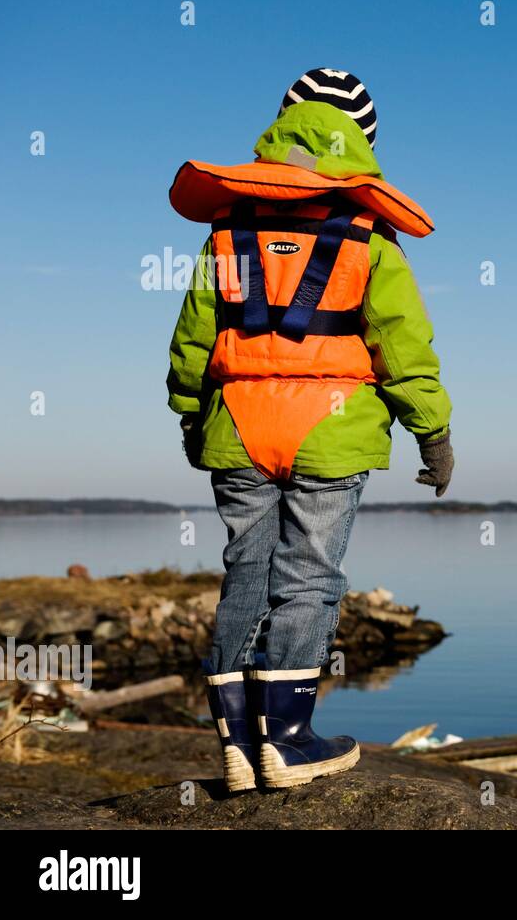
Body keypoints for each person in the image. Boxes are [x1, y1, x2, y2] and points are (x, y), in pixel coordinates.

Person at [166, 69, 453, 790]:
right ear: (362, 142)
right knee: (310, 578)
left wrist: (190, 413)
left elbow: (193, 338)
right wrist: (434, 434)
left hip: (237, 422)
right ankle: (288, 741)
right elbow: (403, 348)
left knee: (247, 574)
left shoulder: (225, 234)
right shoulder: (369, 239)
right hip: (331, 429)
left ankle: (236, 743)